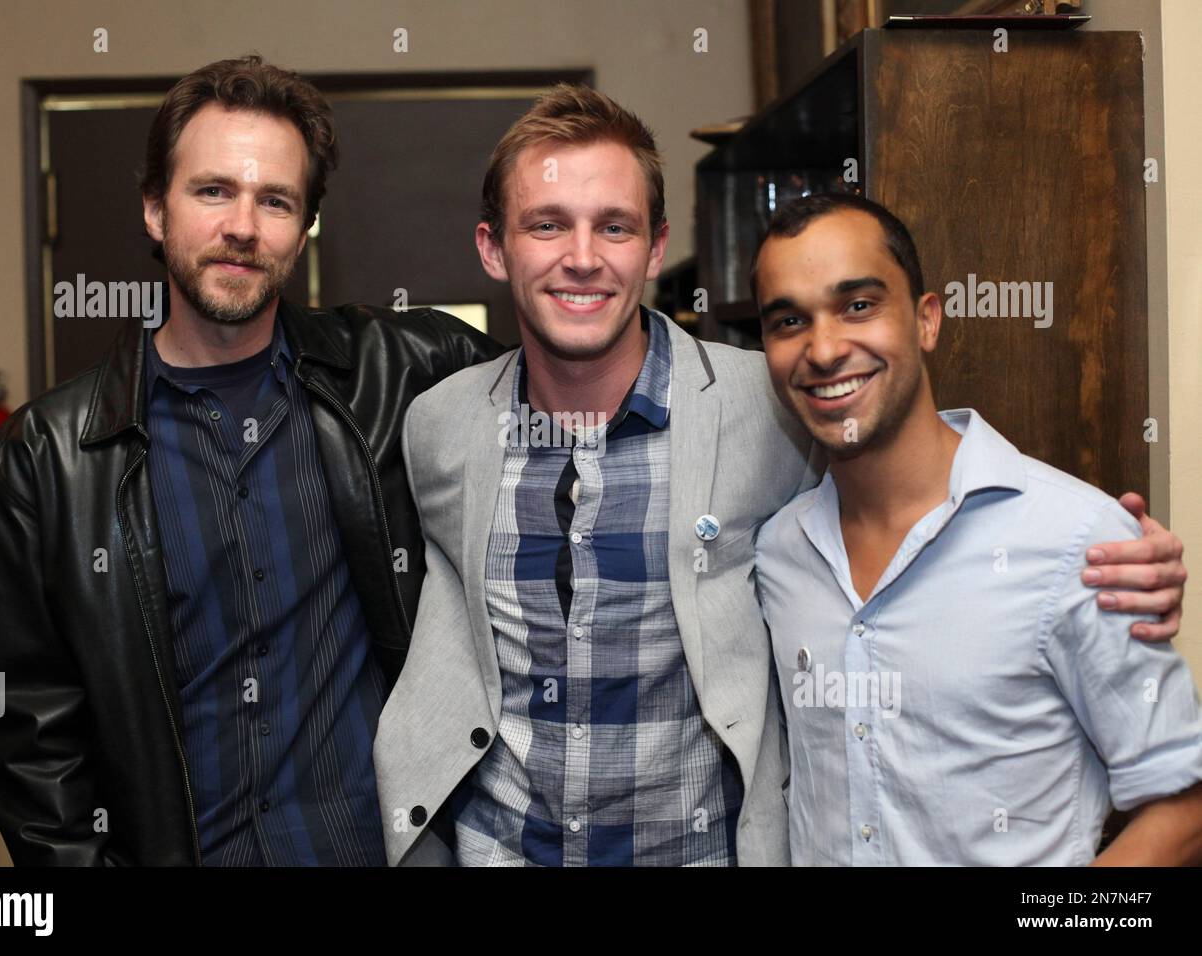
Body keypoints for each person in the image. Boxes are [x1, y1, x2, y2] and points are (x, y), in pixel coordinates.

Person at [372, 85, 1188, 866]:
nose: (582, 258)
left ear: (655, 247)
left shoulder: (767, 410)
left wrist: (1090, 551)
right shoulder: (440, 429)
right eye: (548, 225)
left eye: (615, 227)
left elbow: (900, 449)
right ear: (493, 247)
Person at [0, 55, 503, 866]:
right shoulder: (47, 460)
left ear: (306, 225)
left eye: (276, 200)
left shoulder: (398, 373)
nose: (243, 226)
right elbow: (35, 750)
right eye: (213, 191)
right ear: (156, 209)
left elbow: (571, 384)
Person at [752, 193, 1202, 865]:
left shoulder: (1077, 540)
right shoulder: (779, 551)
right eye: (790, 320)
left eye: (859, 305)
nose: (823, 349)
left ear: (926, 320)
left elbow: (1184, 803)